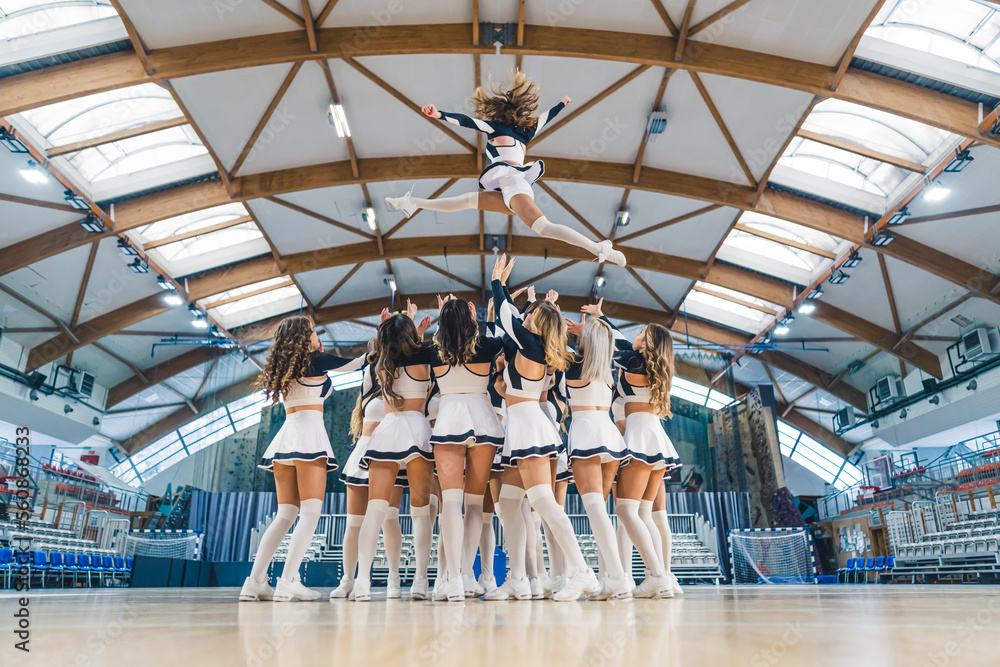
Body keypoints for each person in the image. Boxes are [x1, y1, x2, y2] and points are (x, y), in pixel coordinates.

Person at [385, 70, 626, 267]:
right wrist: (562, 104)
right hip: (507, 186)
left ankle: (599, 248)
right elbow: (545, 118)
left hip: (514, 183)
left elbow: (467, 121)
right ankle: (413, 202)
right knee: (464, 201)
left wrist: (439, 115)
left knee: (545, 228)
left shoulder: (496, 129)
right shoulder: (525, 133)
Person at [485, 254, 599, 602]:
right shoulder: (532, 345)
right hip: (525, 426)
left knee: (546, 505)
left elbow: (506, 314)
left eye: (531, 314)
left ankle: (582, 572)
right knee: (508, 506)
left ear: (536, 322)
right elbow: (506, 325)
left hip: (529, 429)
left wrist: (498, 282)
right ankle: (517, 579)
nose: (526, 314)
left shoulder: (530, 343)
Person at [240, 316, 365, 602]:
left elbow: (322, 389)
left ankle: (255, 582)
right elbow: (359, 362)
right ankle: (287, 581)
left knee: (285, 514)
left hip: (285, 442)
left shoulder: (285, 368)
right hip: (309, 440)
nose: (315, 335)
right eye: (311, 332)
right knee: (309, 513)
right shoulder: (316, 360)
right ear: (302, 338)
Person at [585, 300, 680, 599]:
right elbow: (622, 342)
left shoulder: (635, 362)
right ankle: (658, 575)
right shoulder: (653, 368)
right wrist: (601, 316)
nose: (635, 334)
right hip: (656, 441)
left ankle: (658, 576)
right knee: (643, 514)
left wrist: (600, 324)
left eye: (641, 332)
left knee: (626, 511)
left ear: (648, 343)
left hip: (639, 438)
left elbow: (616, 344)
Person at [352, 305, 435, 602]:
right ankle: (420, 580)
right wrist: (417, 332)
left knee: (375, 512)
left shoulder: (381, 362)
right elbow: (418, 347)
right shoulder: (426, 356)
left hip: (386, 433)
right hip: (417, 432)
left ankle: (363, 581)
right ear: (411, 336)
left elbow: (393, 343)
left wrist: (390, 327)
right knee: (420, 513)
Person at [429, 295, 505, 600]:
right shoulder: (486, 345)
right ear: (471, 317)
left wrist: (444, 315)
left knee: (451, 503)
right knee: (475, 505)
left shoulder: (432, 350)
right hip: (483, 420)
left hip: (449, 420)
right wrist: (478, 319)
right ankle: (464, 573)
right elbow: (504, 336)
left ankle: (452, 580)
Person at [561, 315, 632, 600]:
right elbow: (620, 343)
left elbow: (545, 346)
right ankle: (611, 578)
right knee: (600, 513)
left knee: (595, 511)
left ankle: (617, 577)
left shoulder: (570, 363)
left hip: (586, 434)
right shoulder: (607, 368)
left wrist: (579, 334)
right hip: (609, 435)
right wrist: (593, 328)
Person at [330, 363, 406, 601]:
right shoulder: (370, 387)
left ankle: (394, 578)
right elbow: (375, 354)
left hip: (390, 453)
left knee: (389, 518)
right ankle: (348, 580)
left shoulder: (406, 386)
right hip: (363, 451)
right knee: (353, 522)